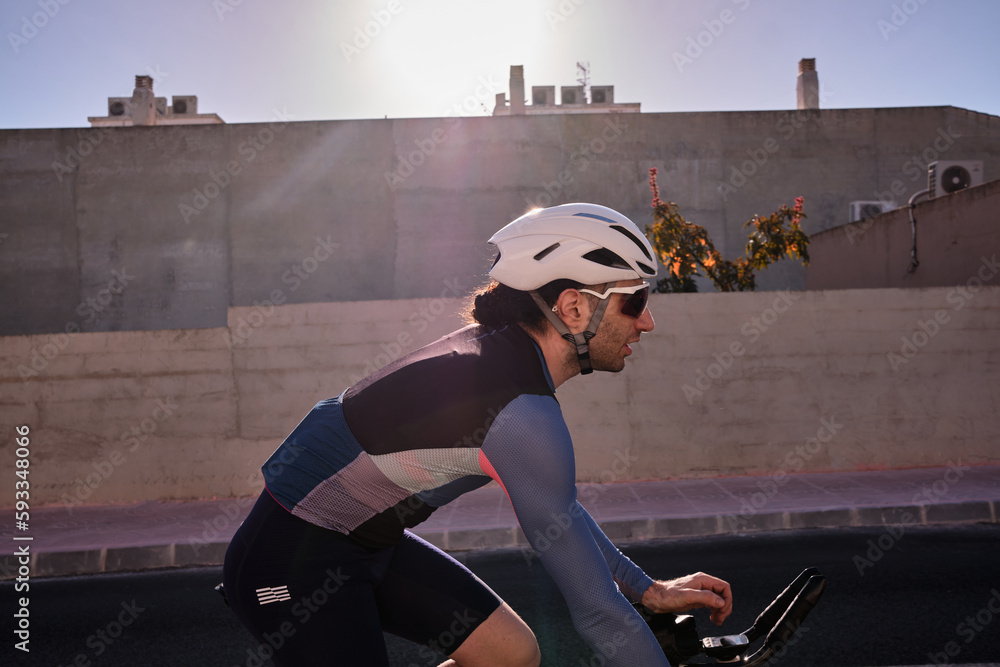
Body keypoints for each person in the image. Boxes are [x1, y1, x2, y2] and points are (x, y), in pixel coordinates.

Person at [222, 203, 733, 666]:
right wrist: (638, 606)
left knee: (509, 656)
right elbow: (601, 617)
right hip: (290, 561)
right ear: (574, 308)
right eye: (634, 301)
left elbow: (559, 511)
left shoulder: (503, 360)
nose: (647, 321)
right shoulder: (519, 412)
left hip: (366, 543)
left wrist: (648, 589)